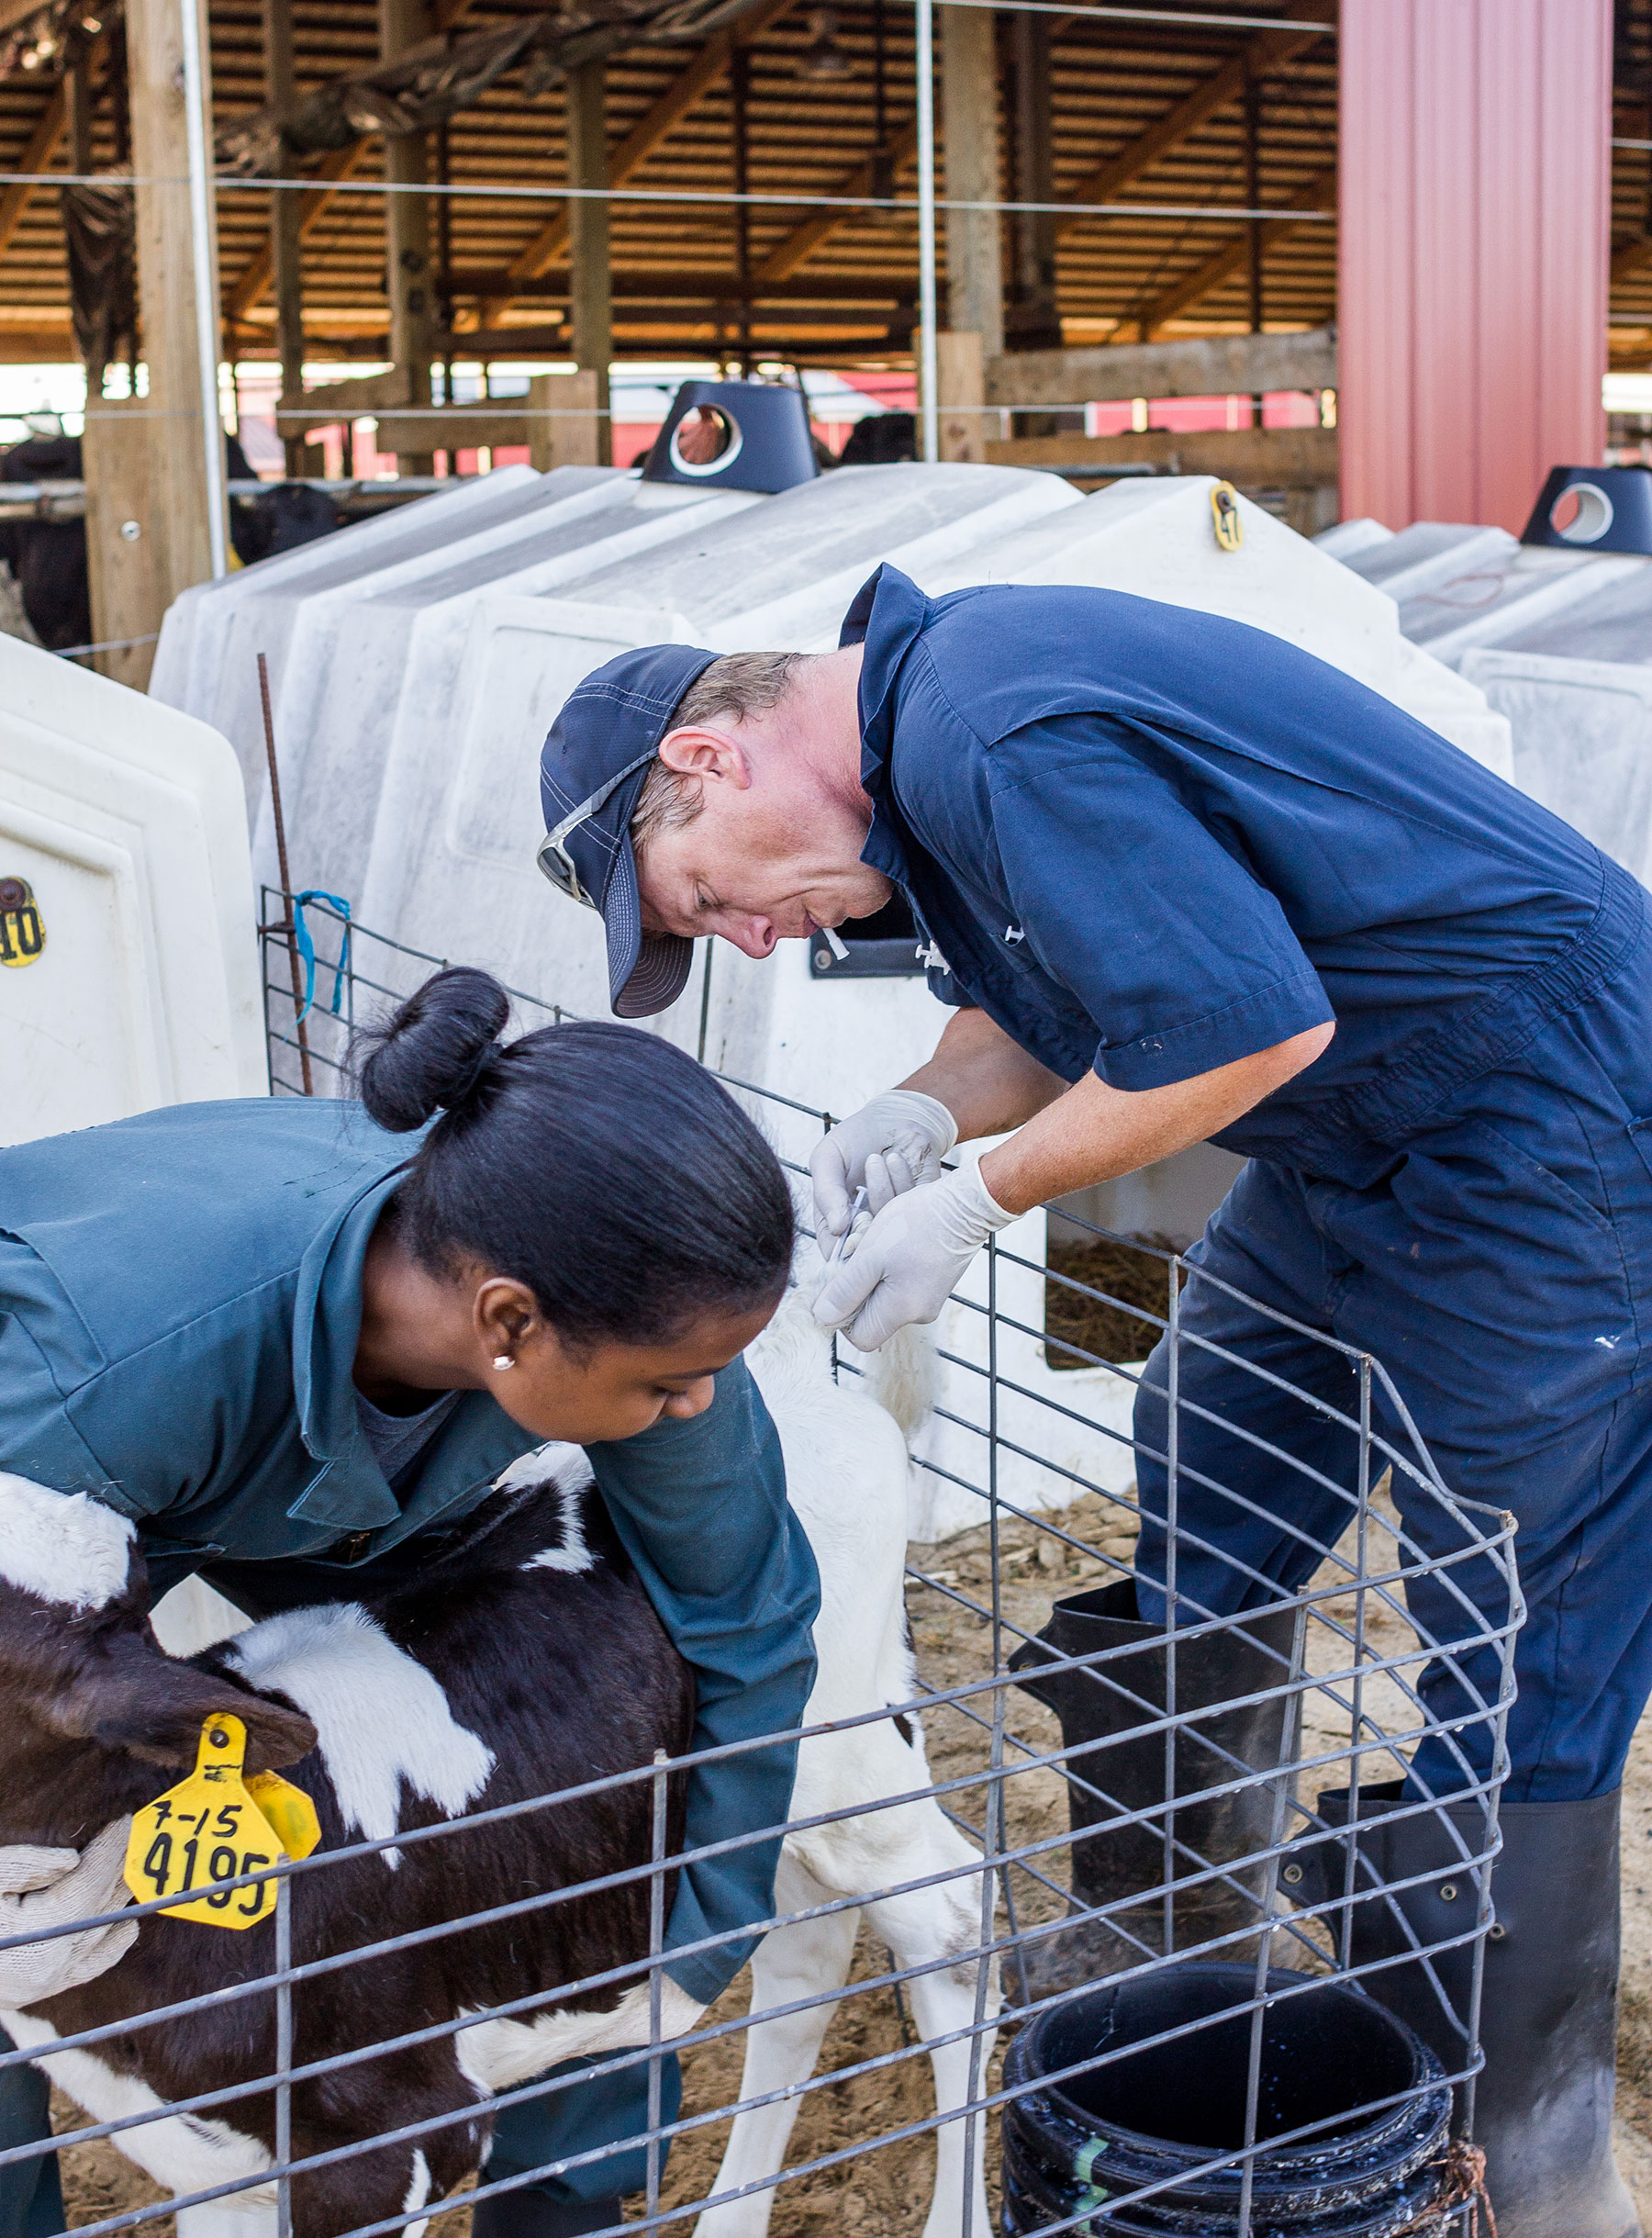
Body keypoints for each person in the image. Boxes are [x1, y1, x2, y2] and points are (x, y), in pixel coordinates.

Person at [535, 565, 1652, 2238]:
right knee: (1207, 1467)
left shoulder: (994, 721)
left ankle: (1525, 2148)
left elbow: (1245, 1026)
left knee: (1516, 1625)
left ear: (708, 758)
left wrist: (975, 1199)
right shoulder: (934, 759)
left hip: (1540, 1128)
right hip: (1348, 1136)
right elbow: (1059, 992)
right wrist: (920, 1105)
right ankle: (1172, 1960)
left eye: (704, 900)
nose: (752, 936)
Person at [0, 966, 818, 2238]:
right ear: (510, 1324)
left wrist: (697, 1936)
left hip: (336, 1476)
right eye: (670, 1386)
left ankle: (565, 2203)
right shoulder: (104, 1372)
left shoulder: (609, 1283)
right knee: (24, 1857)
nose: (698, 1404)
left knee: (568, 1801)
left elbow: (747, 1604)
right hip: (72, 1476)